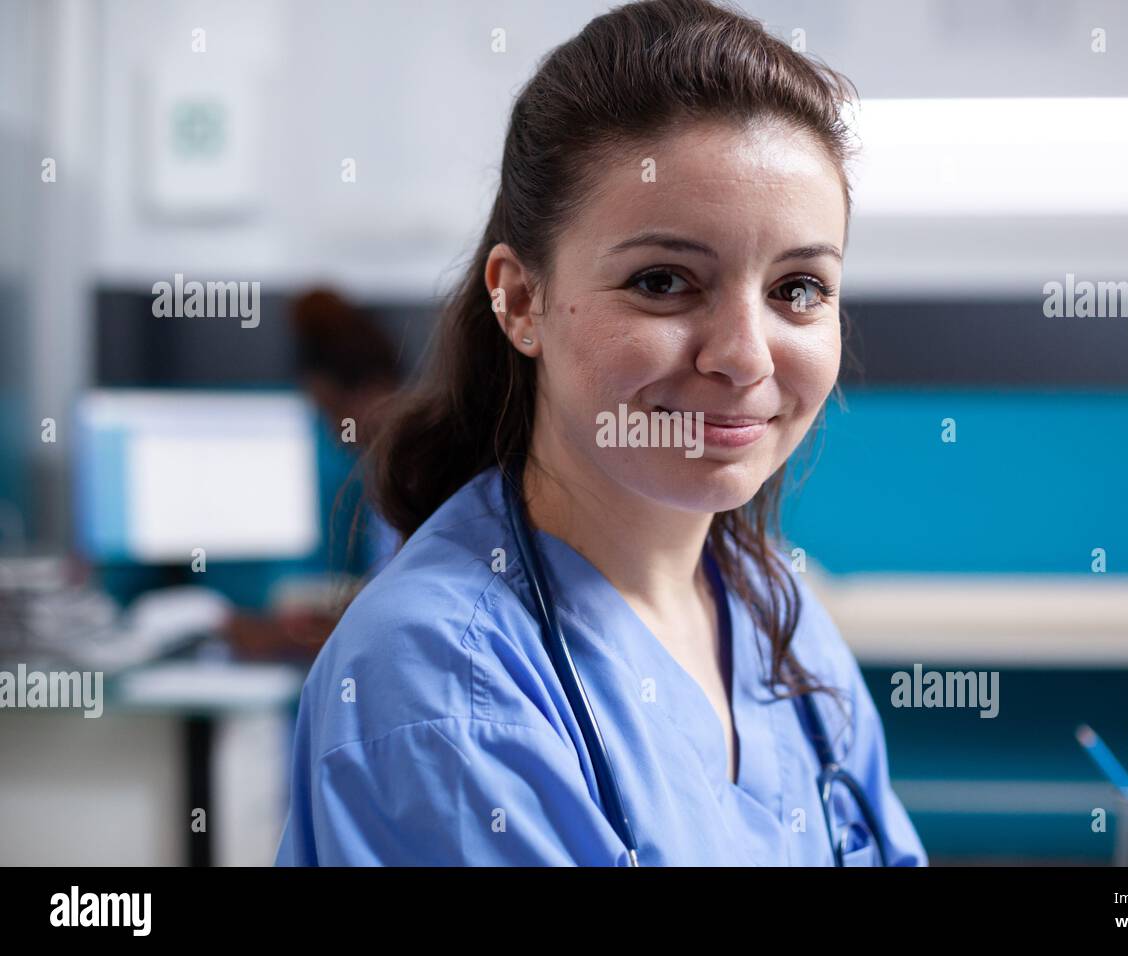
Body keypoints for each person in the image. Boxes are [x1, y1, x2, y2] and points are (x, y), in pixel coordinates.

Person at [276, 0, 925, 866]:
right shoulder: (440, 681)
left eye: (798, 288)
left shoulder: (777, 614)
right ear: (520, 300)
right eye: (663, 281)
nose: (744, 356)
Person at [223, 288, 402, 661]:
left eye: (331, 414)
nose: (337, 435)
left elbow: (399, 622)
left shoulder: (412, 480)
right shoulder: (379, 474)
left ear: (374, 394)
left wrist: (276, 639)